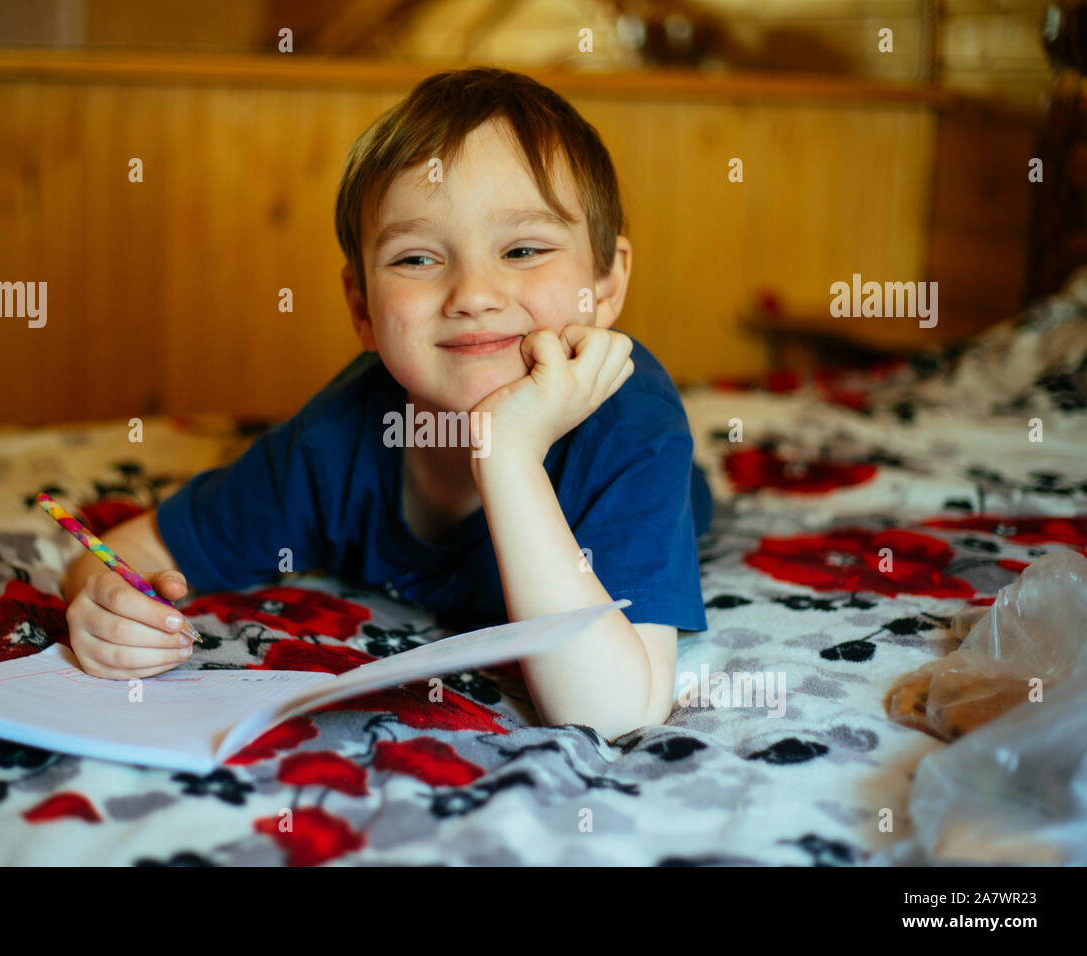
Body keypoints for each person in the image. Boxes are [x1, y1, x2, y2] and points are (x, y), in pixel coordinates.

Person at [63, 67, 713, 741]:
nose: (474, 293)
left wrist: (508, 454)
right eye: (416, 260)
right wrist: (105, 605)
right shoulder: (333, 440)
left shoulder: (632, 422)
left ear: (606, 285)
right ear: (361, 308)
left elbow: (613, 715)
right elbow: (121, 553)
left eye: (523, 249)